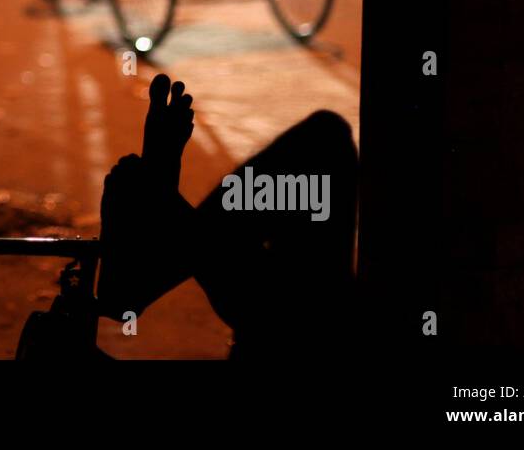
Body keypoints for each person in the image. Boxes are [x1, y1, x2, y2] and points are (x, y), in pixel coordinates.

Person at [97, 74, 358, 360]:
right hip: (319, 318)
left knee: (325, 139)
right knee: (325, 138)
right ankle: (161, 222)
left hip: (306, 331)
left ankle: (158, 224)